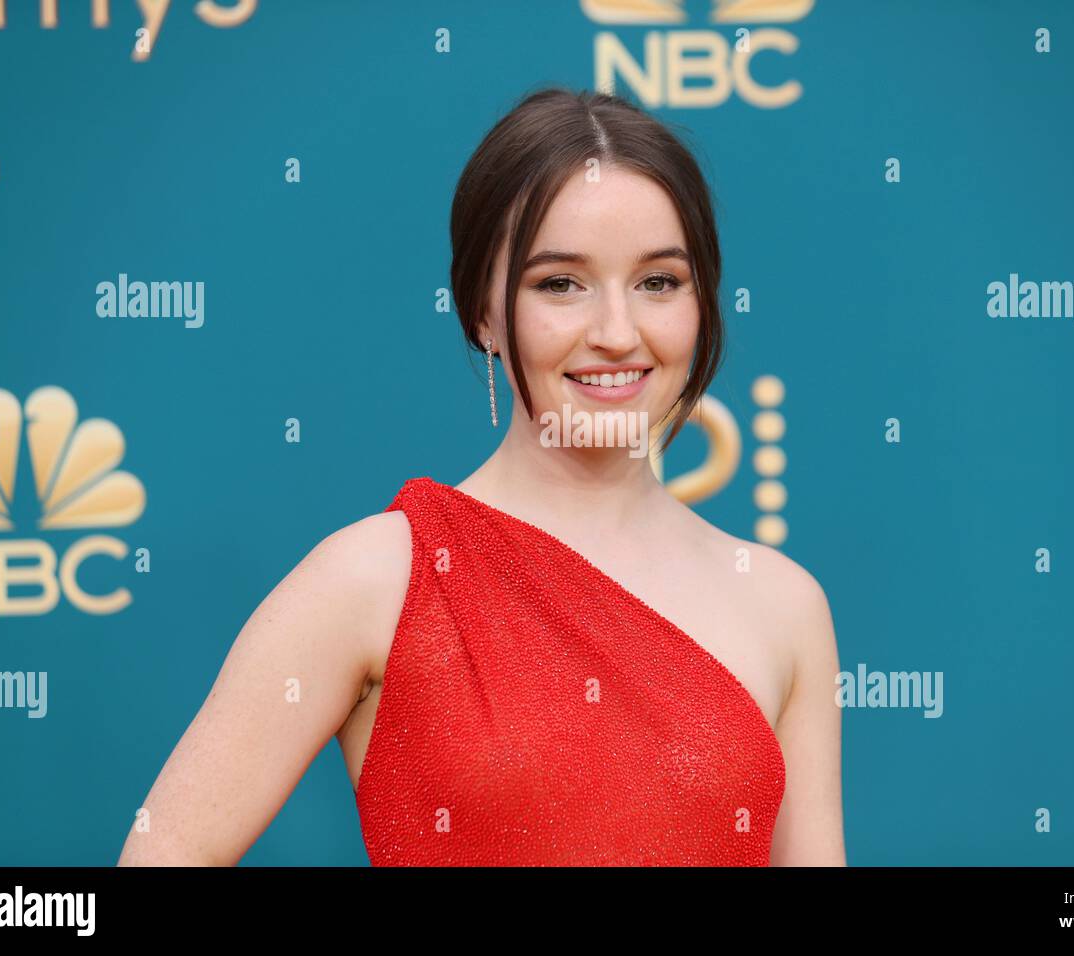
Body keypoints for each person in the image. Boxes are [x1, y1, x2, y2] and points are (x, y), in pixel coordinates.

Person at [118, 87, 844, 867]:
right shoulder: (376, 579)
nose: (616, 332)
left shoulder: (781, 604)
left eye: (658, 282)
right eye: (559, 283)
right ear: (482, 314)